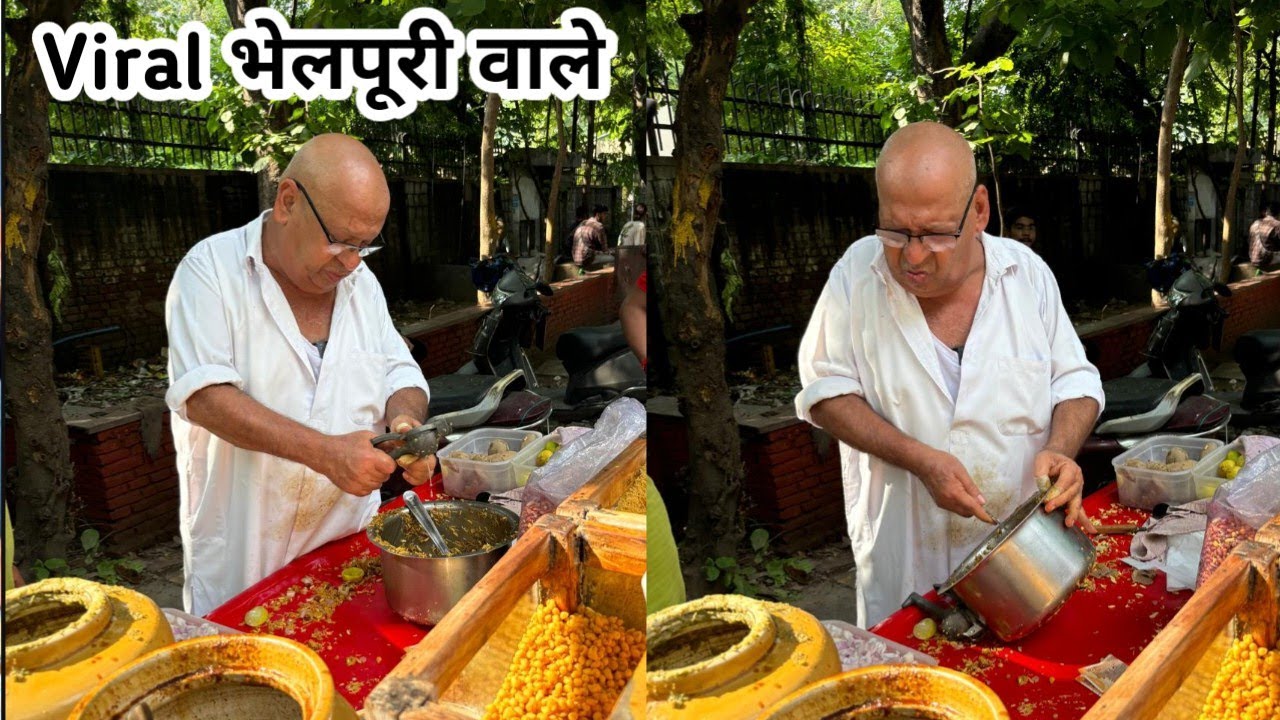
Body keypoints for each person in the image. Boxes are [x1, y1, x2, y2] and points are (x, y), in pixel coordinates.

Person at [795, 122, 1104, 628]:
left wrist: (1061, 449)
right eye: (896, 231)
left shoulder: (1026, 275)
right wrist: (920, 460)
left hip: (1023, 563)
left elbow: (1075, 383)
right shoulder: (856, 275)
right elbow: (825, 392)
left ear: (979, 210)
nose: (913, 256)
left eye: (936, 234)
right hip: (905, 567)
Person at [165, 134, 435, 616]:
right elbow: (205, 396)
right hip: (245, 569)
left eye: (364, 247)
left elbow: (400, 371)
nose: (351, 263)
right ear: (287, 200)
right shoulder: (210, 272)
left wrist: (406, 429)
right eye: (340, 242)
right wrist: (325, 453)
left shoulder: (360, 285)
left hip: (346, 554)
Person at [572, 204, 613, 270]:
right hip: (586, 259)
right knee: (612, 259)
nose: (606, 217)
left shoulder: (583, 222)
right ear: (598, 215)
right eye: (604, 214)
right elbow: (605, 250)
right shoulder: (599, 226)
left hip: (575, 258)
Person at [1247, 201, 1280, 271]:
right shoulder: (1277, 224)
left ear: (1267, 213)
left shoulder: (1255, 223)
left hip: (1253, 258)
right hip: (1265, 260)